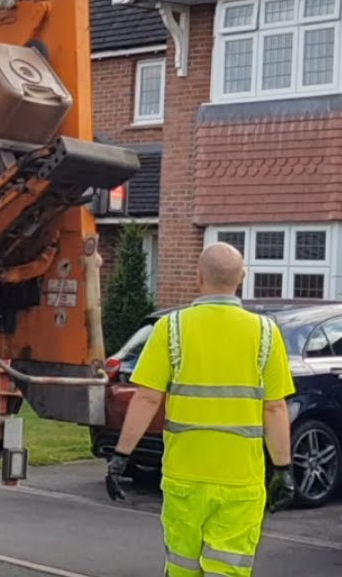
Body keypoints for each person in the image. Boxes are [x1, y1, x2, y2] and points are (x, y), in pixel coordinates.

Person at [103, 242, 297, 576]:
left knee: (182, 566)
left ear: (198, 278)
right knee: (227, 569)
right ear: (242, 279)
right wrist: (283, 468)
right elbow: (275, 409)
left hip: (184, 477)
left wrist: (121, 456)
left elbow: (147, 399)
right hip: (241, 480)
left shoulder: (170, 328)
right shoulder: (266, 333)